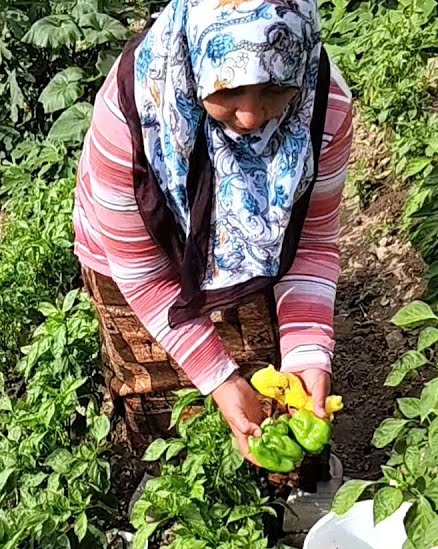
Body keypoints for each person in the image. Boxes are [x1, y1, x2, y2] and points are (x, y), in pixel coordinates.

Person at [73, 0, 353, 485]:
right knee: (160, 385)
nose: (249, 116)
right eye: (227, 89)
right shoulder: (130, 117)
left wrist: (308, 353)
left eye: (274, 87)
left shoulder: (323, 110)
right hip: (136, 263)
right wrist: (220, 380)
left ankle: (277, 491)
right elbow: (143, 275)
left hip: (258, 259)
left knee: (270, 381)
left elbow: (310, 244)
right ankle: (177, 488)